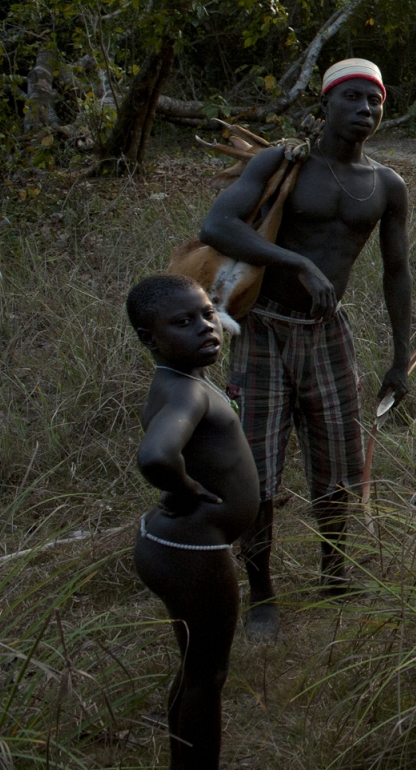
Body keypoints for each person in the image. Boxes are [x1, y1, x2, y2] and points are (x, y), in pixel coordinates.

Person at [199, 58, 412, 642]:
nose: (365, 110)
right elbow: (218, 224)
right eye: (353, 98)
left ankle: (334, 573)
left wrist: (400, 357)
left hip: (328, 336)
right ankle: (262, 592)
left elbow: (397, 272)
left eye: (375, 101)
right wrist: (294, 261)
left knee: (339, 463)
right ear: (326, 105)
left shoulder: (387, 185)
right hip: (263, 330)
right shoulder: (283, 163)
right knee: (257, 472)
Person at [127, 274, 260, 769]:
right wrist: (186, 489)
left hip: (176, 546)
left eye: (207, 314)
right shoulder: (188, 393)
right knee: (209, 677)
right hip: (192, 551)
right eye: (183, 322)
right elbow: (156, 456)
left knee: (195, 669)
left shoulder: (181, 382)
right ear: (150, 338)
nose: (206, 328)